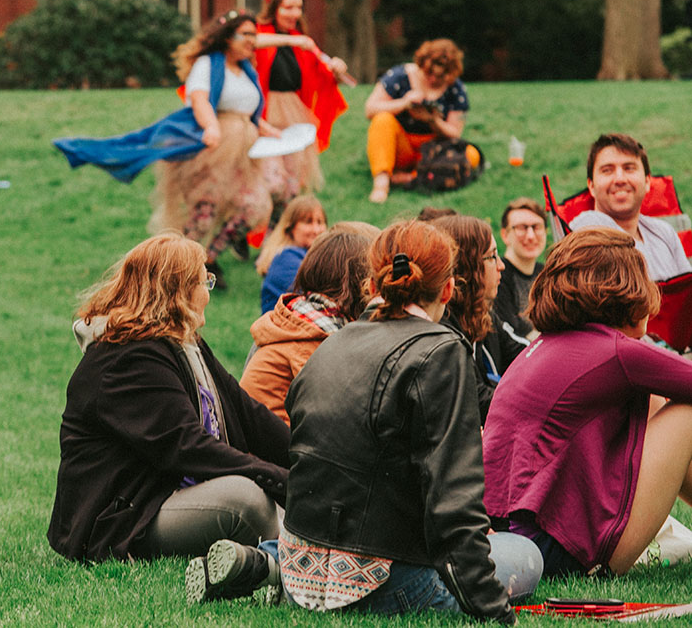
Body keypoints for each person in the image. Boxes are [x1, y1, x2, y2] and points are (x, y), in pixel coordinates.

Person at [186, 220, 541, 620]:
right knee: (526, 553)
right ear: (447, 289)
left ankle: (268, 567)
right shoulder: (440, 351)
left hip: (302, 565)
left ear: (374, 285)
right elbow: (453, 503)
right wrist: (493, 610)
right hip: (384, 578)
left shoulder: (334, 340)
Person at [47, 233, 292, 563]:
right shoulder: (128, 359)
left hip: (166, 497)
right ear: (177, 291)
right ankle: (290, 564)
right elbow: (185, 445)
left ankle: (277, 559)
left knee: (267, 493)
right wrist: (276, 478)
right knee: (247, 500)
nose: (209, 290)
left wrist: (312, 463)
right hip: (123, 519)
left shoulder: (185, 345)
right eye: (204, 280)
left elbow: (249, 415)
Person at [483, 227, 692, 577]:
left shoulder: (545, 346)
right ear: (627, 291)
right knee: (685, 414)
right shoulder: (614, 351)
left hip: (517, 537)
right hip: (557, 551)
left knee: (654, 403)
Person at [149, 10, 282, 288]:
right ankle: (179, 270)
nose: (252, 40)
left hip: (245, 151)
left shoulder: (247, 69)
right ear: (227, 37)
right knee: (204, 211)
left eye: (254, 35)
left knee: (252, 206)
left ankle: (207, 258)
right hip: (215, 147)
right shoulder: (208, 64)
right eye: (246, 34)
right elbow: (199, 99)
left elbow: (248, 109)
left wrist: (267, 129)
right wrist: (211, 127)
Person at [241, 224, 376, 424]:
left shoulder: (305, 319)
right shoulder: (317, 336)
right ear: (358, 282)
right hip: (277, 450)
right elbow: (342, 418)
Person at [252, 0, 352, 196]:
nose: (295, 13)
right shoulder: (261, 33)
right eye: (288, 7)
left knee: (293, 181)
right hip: (266, 112)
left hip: (294, 112)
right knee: (271, 180)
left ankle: (285, 225)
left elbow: (322, 73)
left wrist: (336, 68)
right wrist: (291, 42)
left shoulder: (302, 41)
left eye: (299, 7)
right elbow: (251, 42)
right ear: (274, 8)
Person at [364, 38, 478, 203]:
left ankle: (411, 177)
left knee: (470, 154)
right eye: (428, 73)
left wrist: (433, 120)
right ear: (421, 64)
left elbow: (455, 134)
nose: (432, 79)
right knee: (382, 120)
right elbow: (370, 109)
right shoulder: (399, 76)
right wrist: (404, 103)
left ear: (450, 74)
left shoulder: (456, 89)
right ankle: (381, 183)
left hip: (433, 150)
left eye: (439, 76)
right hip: (401, 145)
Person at [429, 214, 520, 422]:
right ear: (466, 267)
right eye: (491, 257)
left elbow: (524, 357)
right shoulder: (442, 331)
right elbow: (476, 401)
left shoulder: (480, 312)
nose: (501, 266)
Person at [568, 133, 691, 281]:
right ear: (591, 186)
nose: (620, 179)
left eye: (629, 168)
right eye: (607, 170)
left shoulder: (665, 233)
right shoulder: (583, 233)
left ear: (647, 182)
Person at [253, 195, 327, 313]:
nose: (316, 230)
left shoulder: (309, 256)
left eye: (320, 222)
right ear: (290, 227)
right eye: (308, 222)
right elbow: (319, 300)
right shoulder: (285, 259)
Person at [493, 197, 546, 342]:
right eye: (522, 228)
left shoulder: (547, 275)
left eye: (536, 227)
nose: (530, 236)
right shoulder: (497, 277)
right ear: (505, 235)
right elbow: (513, 334)